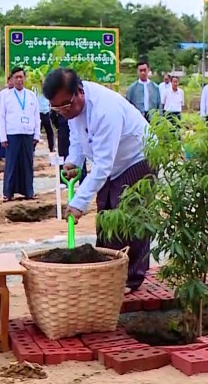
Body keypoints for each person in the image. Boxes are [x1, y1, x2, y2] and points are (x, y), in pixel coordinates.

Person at [43, 68, 153, 293]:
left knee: (129, 216)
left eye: (65, 105)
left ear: (80, 92)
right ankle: (107, 271)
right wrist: (74, 161)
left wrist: (78, 203)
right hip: (114, 163)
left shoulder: (105, 110)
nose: (62, 111)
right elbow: (77, 136)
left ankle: (131, 278)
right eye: (56, 108)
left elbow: (102, 166)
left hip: (138, 158)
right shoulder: (71, 109)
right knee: (106, 214)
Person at [0, 67, 40, 201]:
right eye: (16, 77)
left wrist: (37, 135)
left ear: (25, 78)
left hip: (28, 133)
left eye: (21, 77)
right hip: (12, 133)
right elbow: (2, 117)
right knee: (11, 163)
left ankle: (29, 191)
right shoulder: (6, 96)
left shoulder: (31, 95)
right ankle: (8, 192)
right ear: (11, 79)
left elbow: (36, 116)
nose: (19, 80)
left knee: (28, 163)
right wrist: (3, 137)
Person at [0, 75, 14, 162]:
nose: (11, 83)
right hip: (3, 117)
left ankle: (7, 155)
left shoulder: (16, 92)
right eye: (10, 81)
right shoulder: (3, 93)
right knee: (1, 135)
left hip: (12, 118)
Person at [37, 86, 55, 152]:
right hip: (38, 113)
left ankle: (51, 148)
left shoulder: (48, 91)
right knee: (36, 132)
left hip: (46, 112)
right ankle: (32, 149)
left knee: (50, 131)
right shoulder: (35, 90)